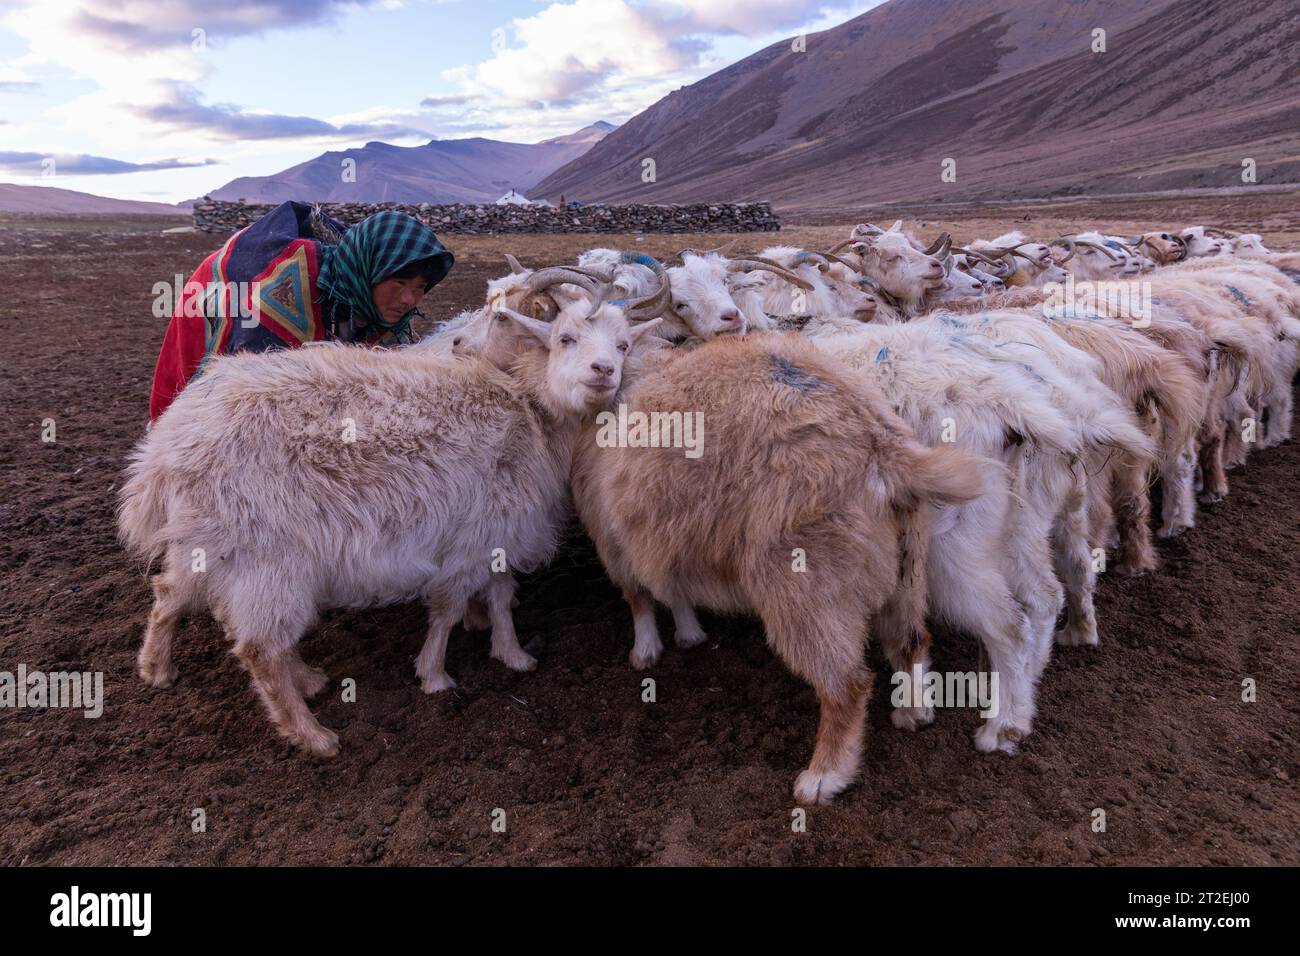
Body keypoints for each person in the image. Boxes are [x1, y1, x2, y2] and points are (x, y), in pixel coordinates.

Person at [148, 201, 454, 421]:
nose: (409, 299)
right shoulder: (278, 306)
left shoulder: (381, 308)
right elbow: (250, 400)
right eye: (399, 282)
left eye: (420, 287)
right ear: (370, 272)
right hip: (220, 295)